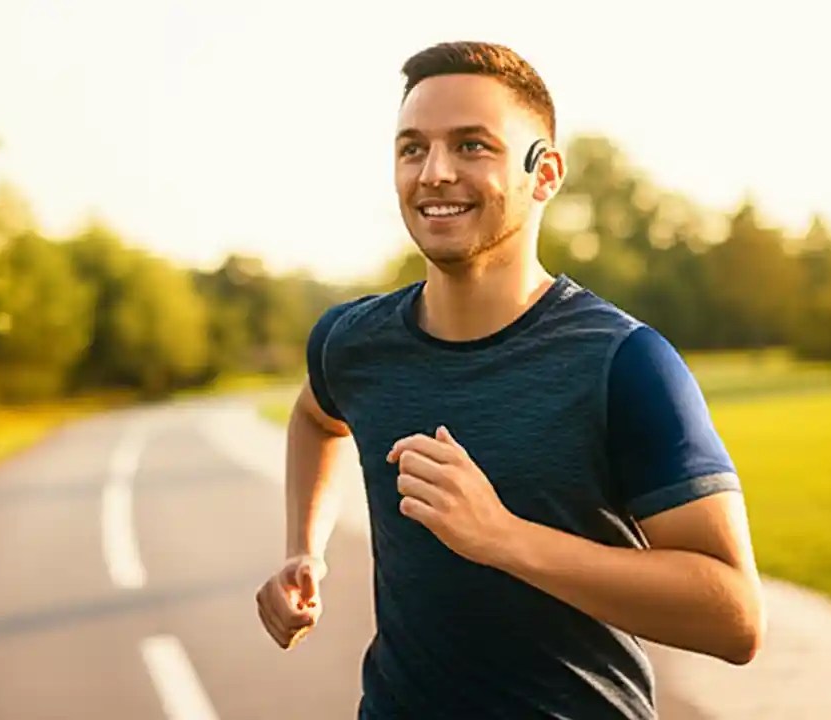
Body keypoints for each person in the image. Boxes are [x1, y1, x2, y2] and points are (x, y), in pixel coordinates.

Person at [253, 40, 766, 719]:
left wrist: (503, 538)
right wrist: (303, 551)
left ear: (545, 173)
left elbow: (734, 617)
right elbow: (318, 417)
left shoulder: (626, 362)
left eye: (471, 146)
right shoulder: (353, 343)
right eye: (412, 148)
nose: (434, 173)